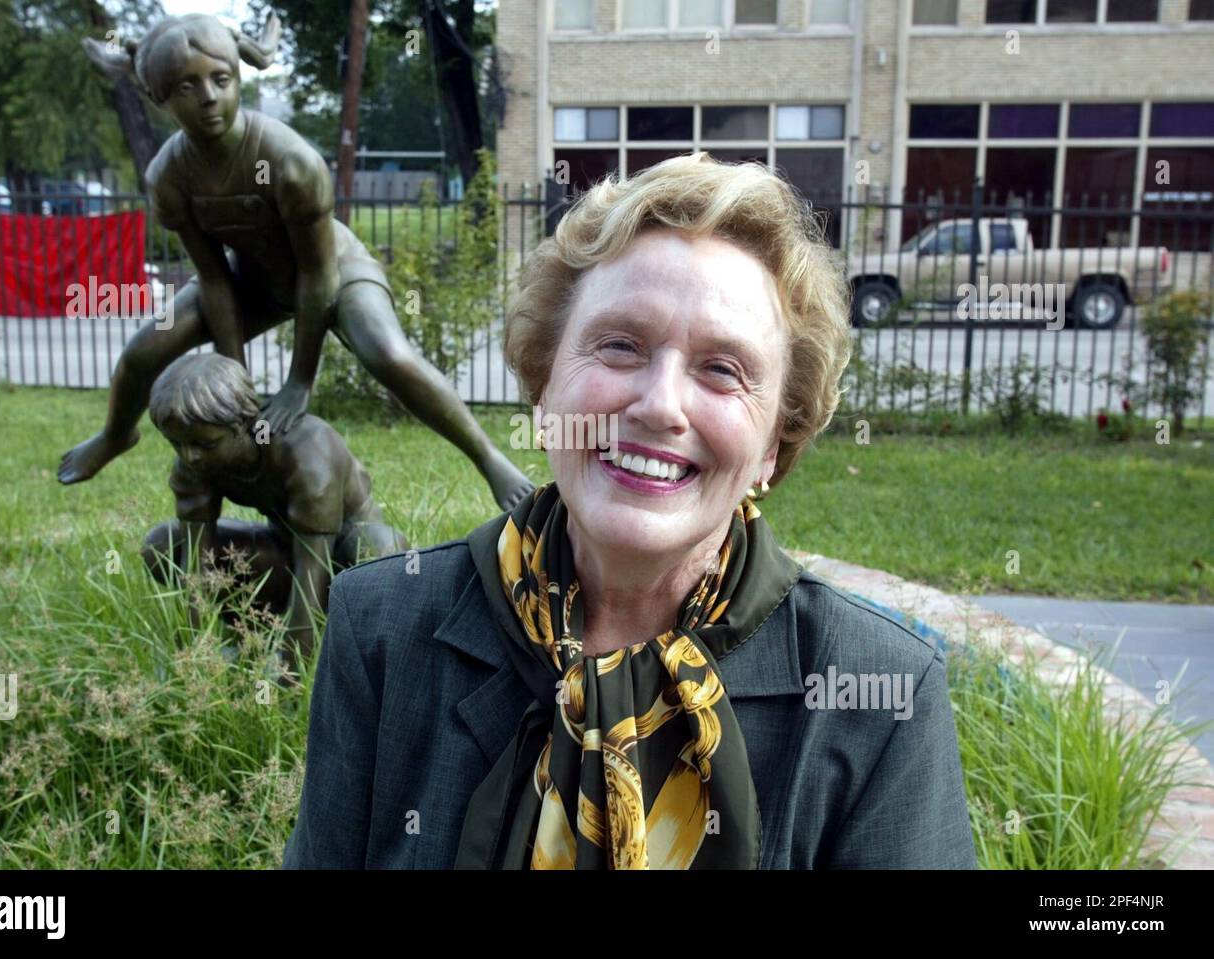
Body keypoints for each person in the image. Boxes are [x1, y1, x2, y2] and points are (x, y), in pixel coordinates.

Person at [283, 153, 976, 869]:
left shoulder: (879, 692)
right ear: (544, 384)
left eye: (722, 369)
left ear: (775, 443)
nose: (659, 405)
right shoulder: (381, 625)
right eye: (620, 345)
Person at [61, 12, 533, 511]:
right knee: (141, 352)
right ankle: (115, 434)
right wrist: (233, 381)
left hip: (336, 268)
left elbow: (317, 273)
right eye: (185, 86)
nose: (208, 97)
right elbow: (214, 279)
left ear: (238, 76)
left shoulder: (289, 161)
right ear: (159, 98)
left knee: (389, 356)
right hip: (253, 280)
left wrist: (297, 383)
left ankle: (488, 458)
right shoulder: (168, 177)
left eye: (220, 79)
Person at [141, 352, 406, 665]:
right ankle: (251, 630)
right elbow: (196, 564)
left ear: (244, 424)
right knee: (164, 545)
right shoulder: (196, 456)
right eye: (177, 444)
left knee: (380, 550)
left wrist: (291, 674)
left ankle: (352, 649)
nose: (190, 457)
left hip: (342, 560)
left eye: (206, 444)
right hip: (287, 554)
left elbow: (314, 567)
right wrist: (197, 660)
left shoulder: (307, 450)